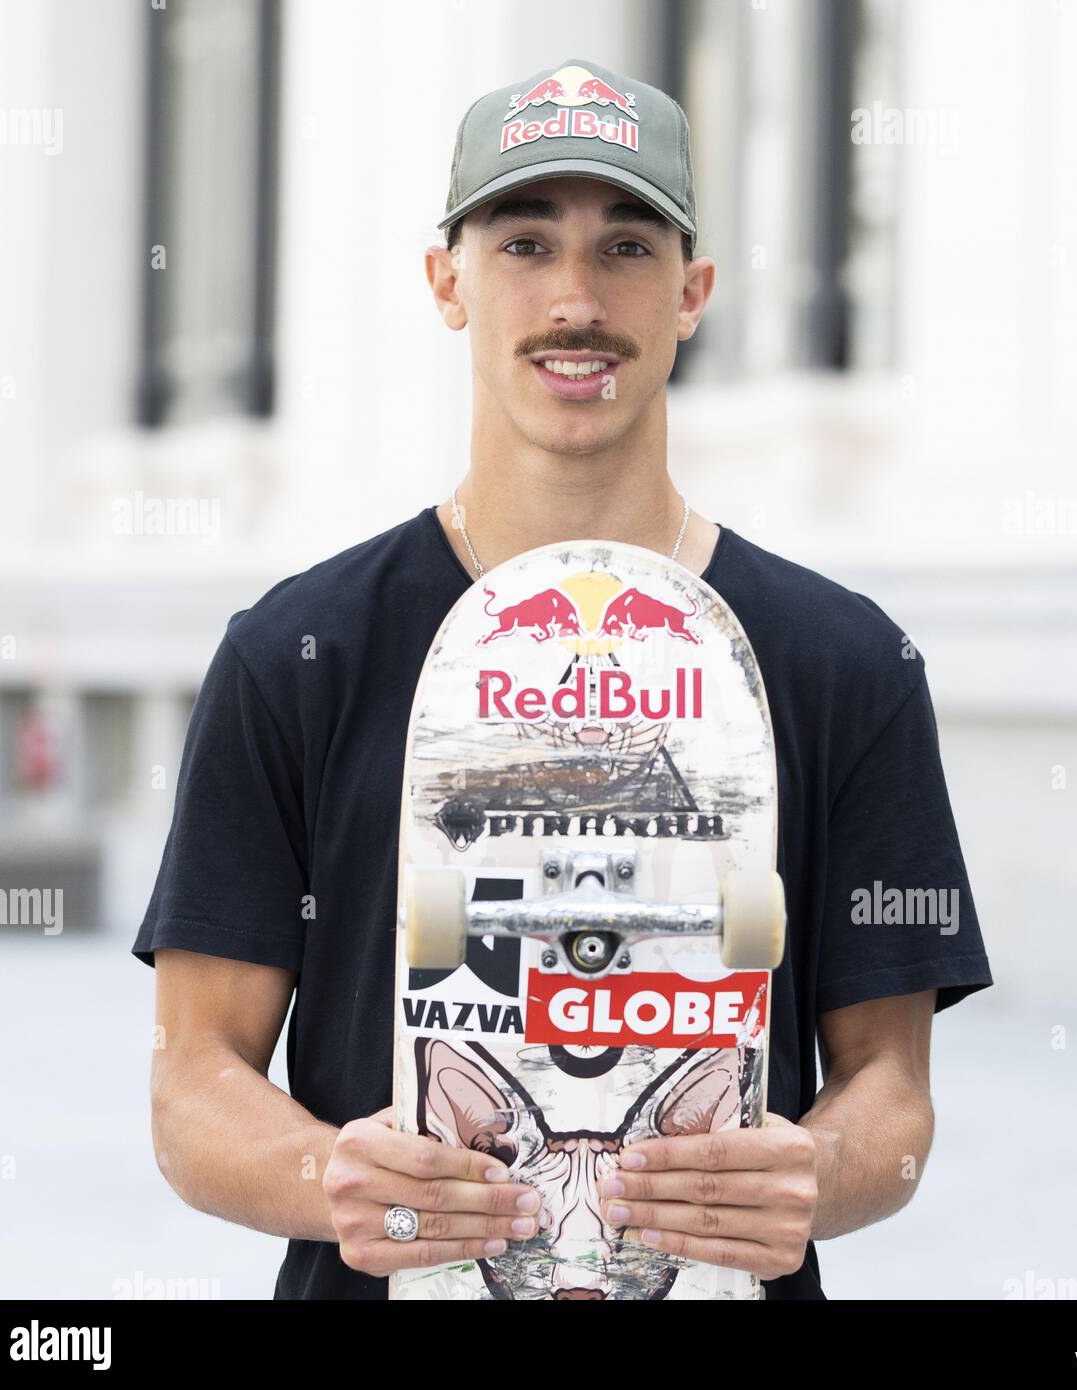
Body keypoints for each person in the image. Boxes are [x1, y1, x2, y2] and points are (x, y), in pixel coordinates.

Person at [132, 56, 993, 1301]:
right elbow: (189, 1082)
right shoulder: (296, 655)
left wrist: (812, 1167)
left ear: (693, 290)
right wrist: (334, 1172)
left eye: (629, 248)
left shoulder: (840, 661)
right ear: (448, 282)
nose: (576, 299)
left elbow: (893, 1095)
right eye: (525, 242)